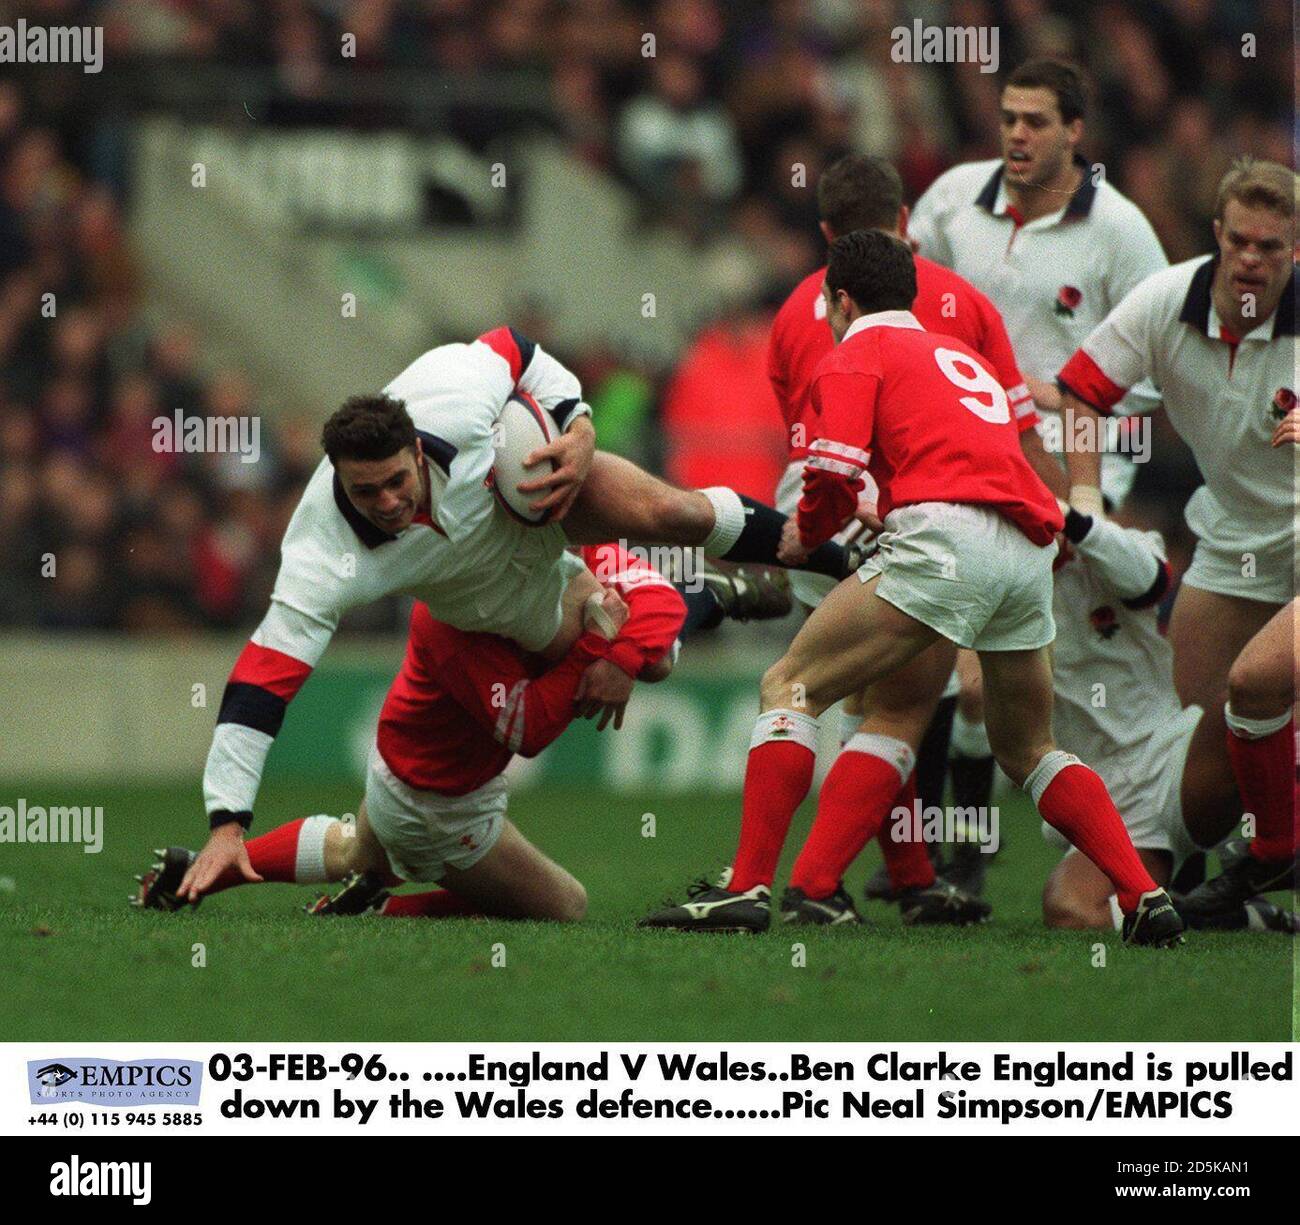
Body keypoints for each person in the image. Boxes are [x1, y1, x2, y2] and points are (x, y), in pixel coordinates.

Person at [641, 230, 1184, 948]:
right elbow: (971, 459)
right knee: (1029, 747)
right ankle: (1144, 894)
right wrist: (886, 507)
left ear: (840, 301)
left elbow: (829, 474)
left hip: (945, 543)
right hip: (1024, 546)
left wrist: (809, 530)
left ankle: (744, 888)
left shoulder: (855, 352)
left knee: (790, 685)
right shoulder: (960, 357)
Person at [180, 328, 853, 904]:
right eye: (365, 490)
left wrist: (580, 427)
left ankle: (842, 554)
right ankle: (704, 596)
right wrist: (226, 821)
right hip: (511, 604)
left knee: (672, 515)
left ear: (418, 449)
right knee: (654, 649)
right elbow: (263, 679)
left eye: (396, 481)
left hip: (544, 516)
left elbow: (520, 349)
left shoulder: (454, 396)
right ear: (336, 479)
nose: (386, 502)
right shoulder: (323, 550)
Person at [766, 152, 1050, 923]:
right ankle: (818, 881)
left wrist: (803, 529)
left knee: (866, 699)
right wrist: (1059, 512)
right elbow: (1016, 431)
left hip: (829, 509)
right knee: (895, 703)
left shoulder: (801, 306)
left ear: (827, 234)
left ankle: (895, 876)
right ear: (905, 222)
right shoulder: (961, 303)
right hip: (926, 515)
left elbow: (802, 430)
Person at [136, 543, 686, 920]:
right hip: (439, 802)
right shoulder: (451, 616)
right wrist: (596, 646)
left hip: (404, 762)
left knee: (355, 851)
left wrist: (624, 657)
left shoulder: (565, 548)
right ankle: (385, 908)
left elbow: (660, 598)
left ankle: (204, 874)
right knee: (566, 904)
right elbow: (530, 729)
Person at [908, 57, 1169, 813]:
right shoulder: (956, 199)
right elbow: (905, 288)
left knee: (988, 665)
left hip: (1066, 465)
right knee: (945, 652)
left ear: (1075, 131)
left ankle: (962, 845)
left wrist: (1066, 391)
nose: (1017, 135)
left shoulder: (1118, 228)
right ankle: (940, 851)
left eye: (1036, 122)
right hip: (963, 450)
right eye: (1008, 119)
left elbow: (1159, 360)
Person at [1057, 158, 1297, 921]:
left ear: (1296, 250)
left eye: (1273, 246)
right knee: (1197, 746)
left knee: (1259, 682)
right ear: (1218, 237)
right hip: (1234, 541)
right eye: (1241, 243)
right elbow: (1080, 389)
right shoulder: (1167, 300)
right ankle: (1223, 899)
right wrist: (1088, 504)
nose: (1253, 260)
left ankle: (1273, 857)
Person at [1039, 506, 1295, 934]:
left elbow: (1151, 579)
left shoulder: (1109, 547)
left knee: (1256, 689)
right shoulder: (1002, 571)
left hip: (1174, 760)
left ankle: (1277, 848)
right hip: (1106, 801)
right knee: (1072, 913)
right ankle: (1215, 912)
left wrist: (1073, 521)